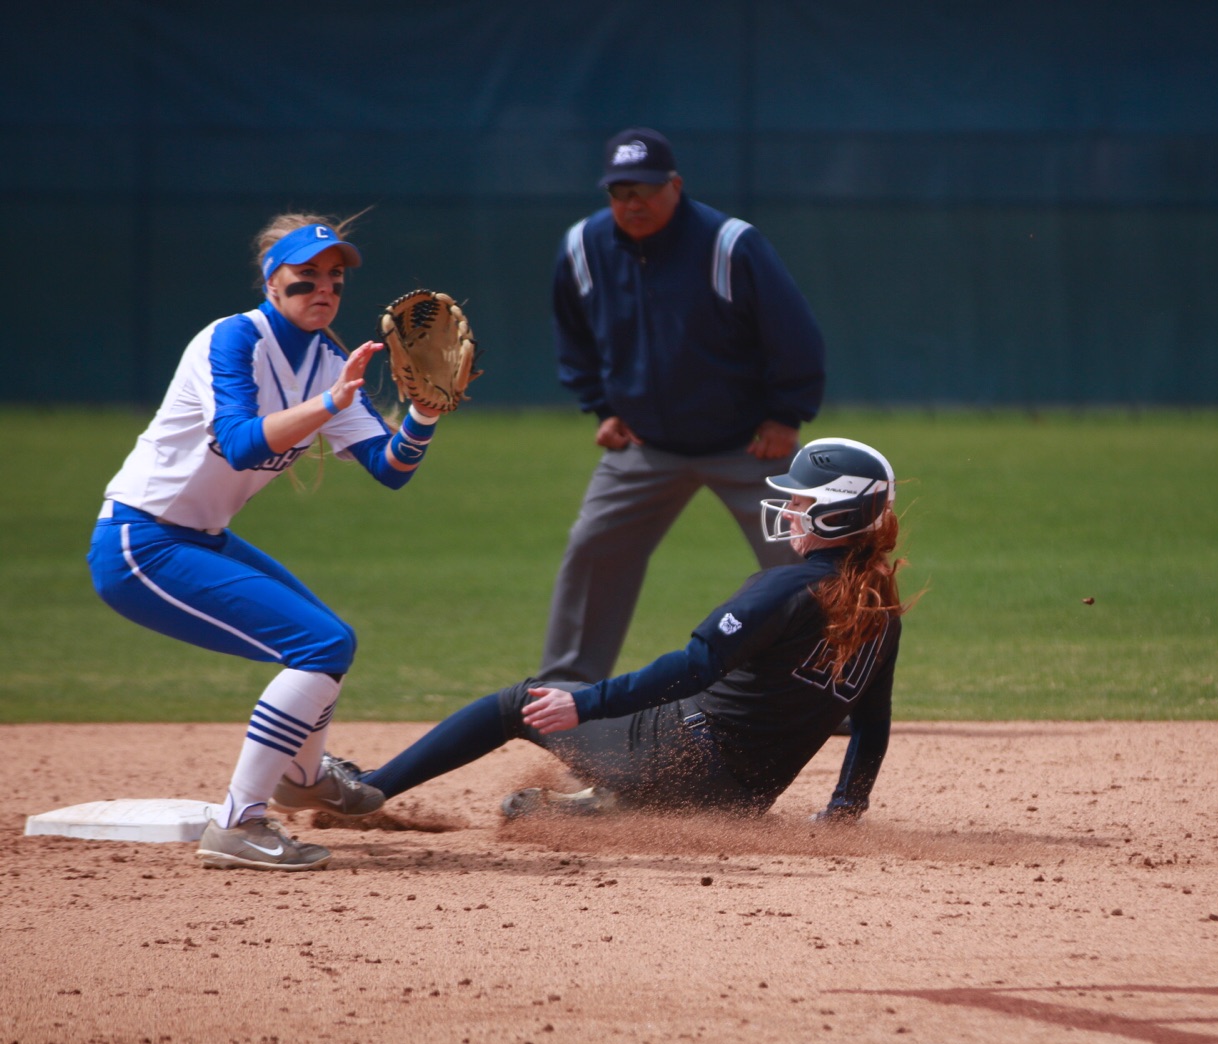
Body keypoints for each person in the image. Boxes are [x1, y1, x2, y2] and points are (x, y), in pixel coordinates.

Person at [87, 212, 449, 872]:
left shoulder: (330, 362)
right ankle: (239, 824)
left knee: (328, 636)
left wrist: (424, 413)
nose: (323, 289)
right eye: (305, 277)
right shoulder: (231, 340)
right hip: (140, 543)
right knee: (321, 644)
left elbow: (389, 469)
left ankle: (302, 779)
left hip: (201, 537)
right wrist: (331, 405)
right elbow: (242, 438)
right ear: (271, 280)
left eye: (333, 279)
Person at [342, 438, 910, 822]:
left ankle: (369, 788)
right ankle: (603, 804)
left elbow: (692, 669)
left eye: (801, 499)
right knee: (635, 732)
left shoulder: (781, 589)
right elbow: (871, 725)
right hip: (739, 803)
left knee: (520, 702)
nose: (788, 509)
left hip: (676, 760)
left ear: (835, 513)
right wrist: (843, 811)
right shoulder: (882, 612)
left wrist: (584, 704)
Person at [541, 126, 827, 687]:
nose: (632, 202)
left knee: (801, 561)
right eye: (620, 191)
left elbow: (795, 335)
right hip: (645, 445)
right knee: (593, 549)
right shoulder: (584, 247)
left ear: (675, 185)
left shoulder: (729, 244)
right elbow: (573, 333)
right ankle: (565, 691)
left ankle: (820, 687)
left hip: (748, 442)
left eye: (645, 188)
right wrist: (601, 407)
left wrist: (785, 415)